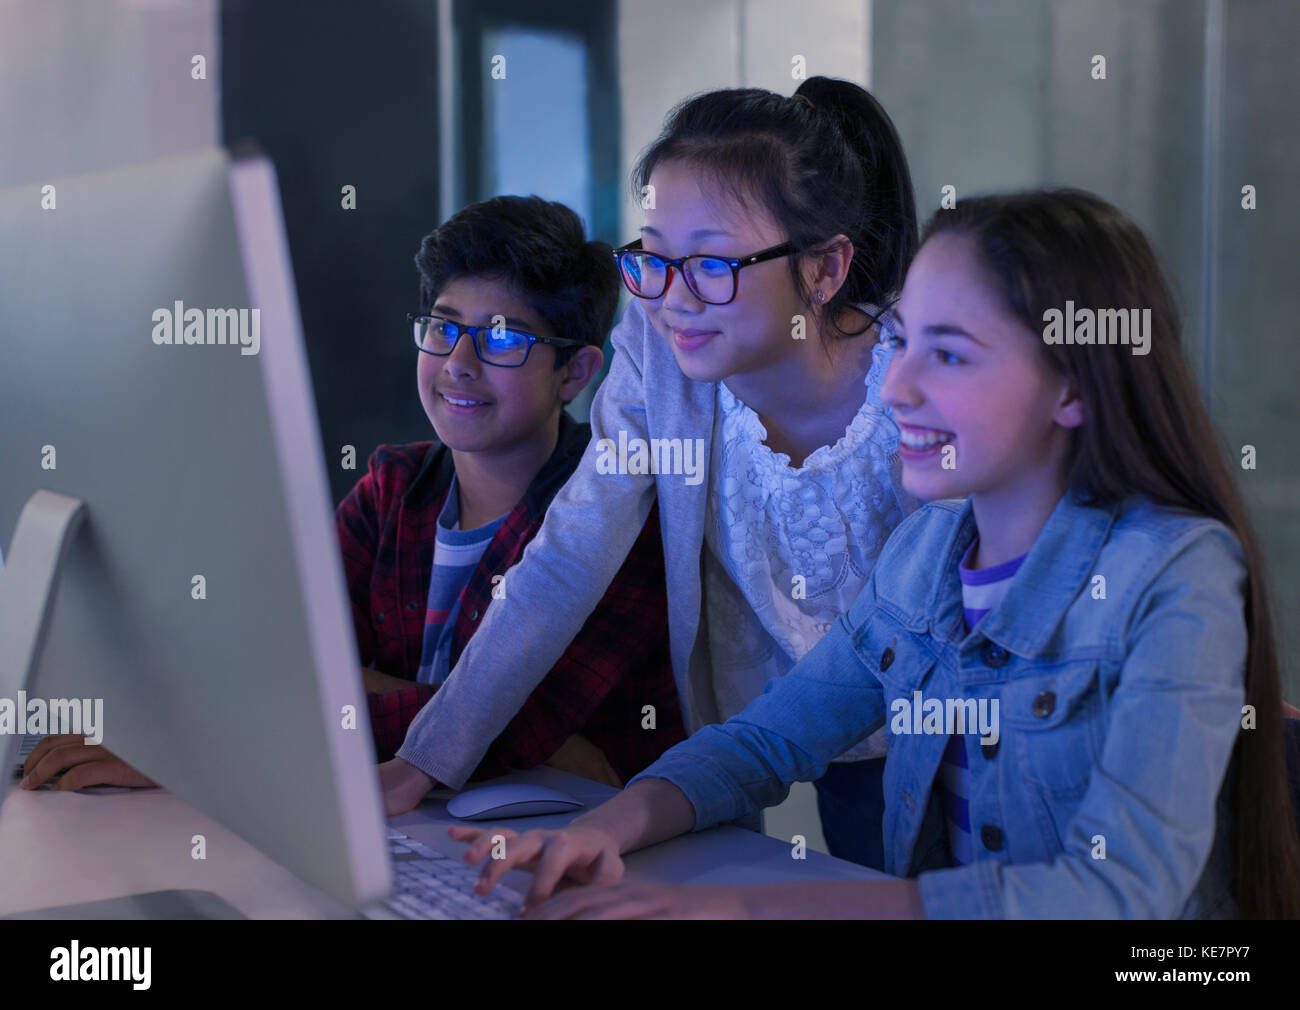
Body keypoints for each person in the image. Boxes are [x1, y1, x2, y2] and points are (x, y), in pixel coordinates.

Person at [449, 189, 1300, 919]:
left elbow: (1118, 894)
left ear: (1074, 386)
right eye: (904, 340)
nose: (895, 386)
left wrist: (753, 908)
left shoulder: (1178, 573)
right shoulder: (926, 554)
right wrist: (600, 829)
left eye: (951, 354)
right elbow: (759, 745)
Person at [380, 78, 919, 870]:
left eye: (709, 264)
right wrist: (430, 757)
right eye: (655, 257)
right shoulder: (658, 344)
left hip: (943, 726)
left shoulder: (919, 374)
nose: (673, 298)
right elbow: (571, 551)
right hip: (750, 733)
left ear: (825, 268)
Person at [21, 194, 687, 792]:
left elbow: (510, 729)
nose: (459, 360)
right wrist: (429, 707)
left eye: (504, 337)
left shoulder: (616, 521)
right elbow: (288, 659)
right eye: (443, 325)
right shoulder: (393, 487)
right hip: (422, 824)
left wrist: (212, 744)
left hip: (604, 857)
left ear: (576, 372)